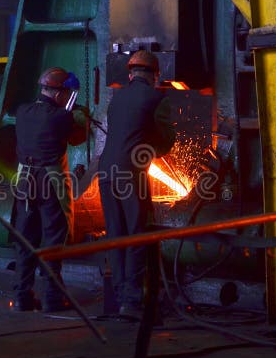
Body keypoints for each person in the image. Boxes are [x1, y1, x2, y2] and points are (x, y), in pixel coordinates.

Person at [98, 50, 175, 319]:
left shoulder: (116, 98)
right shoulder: (157, 98)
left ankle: (120, 297)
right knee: (136, 236)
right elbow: (164, 142)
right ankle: (132, 302)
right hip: (131, 176)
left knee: (116, 235)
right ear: (155, 76)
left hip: (106, 174)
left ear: (130, 74)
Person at [11, 67, 88, 312]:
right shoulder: (62, 117)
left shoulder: (22, 112)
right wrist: (80, 116)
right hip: (49, 181)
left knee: (26, 238)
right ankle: (52, 298)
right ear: (59, 94)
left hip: (24, 181)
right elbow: (78, 138)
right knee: (54, 238)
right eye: (66, 95)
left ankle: (23, 296)